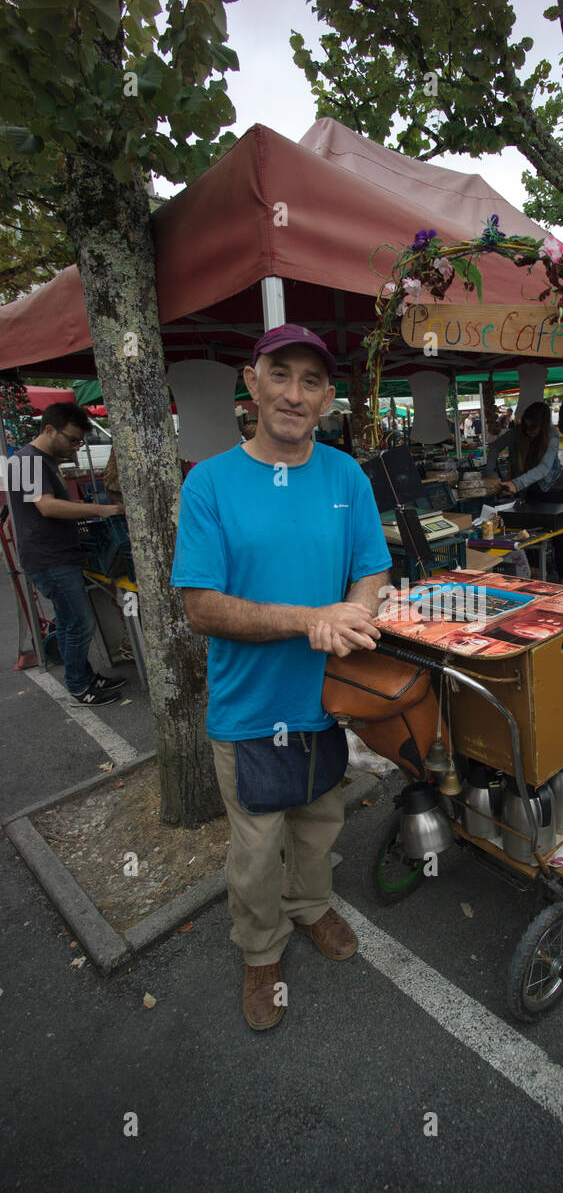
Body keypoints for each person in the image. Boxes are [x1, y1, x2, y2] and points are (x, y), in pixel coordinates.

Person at [171, 324, 391, 1032]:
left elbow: (370, 569)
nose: (295, 394)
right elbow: (201, 606)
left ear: (328, 396)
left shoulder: (344, 475)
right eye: (281, 375)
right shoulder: (209, 483)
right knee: (257, 846)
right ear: (252, 381)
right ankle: (260, 950)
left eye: (311, 382)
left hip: (324, 699)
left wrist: (353, 618)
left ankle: (312, 907)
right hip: (249, 707)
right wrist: (309, 620)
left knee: (320, 820)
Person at [7, 403, 128, 705]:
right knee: (78, 623)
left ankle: (84, 676)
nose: (75, 447)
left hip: (57, 554)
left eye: (79, 442)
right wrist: (102, 509)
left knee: (70, 621)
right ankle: (78, 686)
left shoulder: (42, 460)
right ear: (49, 430)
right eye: (72, 439)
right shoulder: (27, 461)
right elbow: (46, 506)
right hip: (49, 558)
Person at [483, 400, 563, 582]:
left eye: (534, 427)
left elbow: (544, 469)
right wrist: (491, 474)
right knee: (529, 536)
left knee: (559, 538)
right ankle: (534, 576)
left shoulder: (552, 436)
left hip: (556, 491)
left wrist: (516, 484)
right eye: (527, 427)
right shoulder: (517, 433)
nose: (530, 431)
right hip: (531, 491)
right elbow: (493, 448)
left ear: (544, 425)